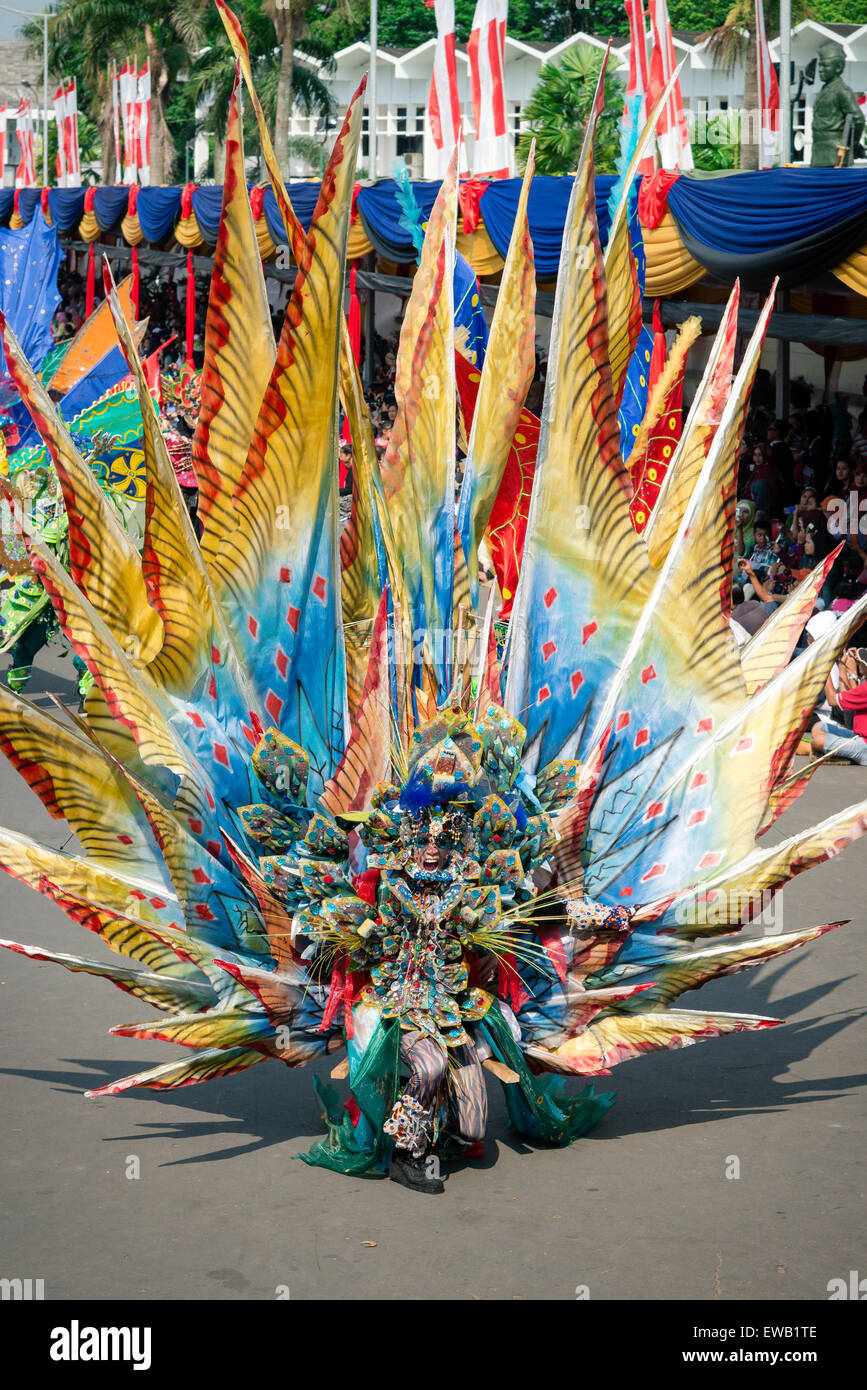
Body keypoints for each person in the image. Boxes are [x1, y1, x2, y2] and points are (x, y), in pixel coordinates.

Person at [811, 647, 867, 765]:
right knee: (818, 727)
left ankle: (847, 754)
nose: (859, 664)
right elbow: (853, 694)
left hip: (864, 745)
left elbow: (832, 700)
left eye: (861, 663)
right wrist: (844, 669)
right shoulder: (864, 685)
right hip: (859, 735)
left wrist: (824, 668)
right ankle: (844, 752)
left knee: (818, 741)